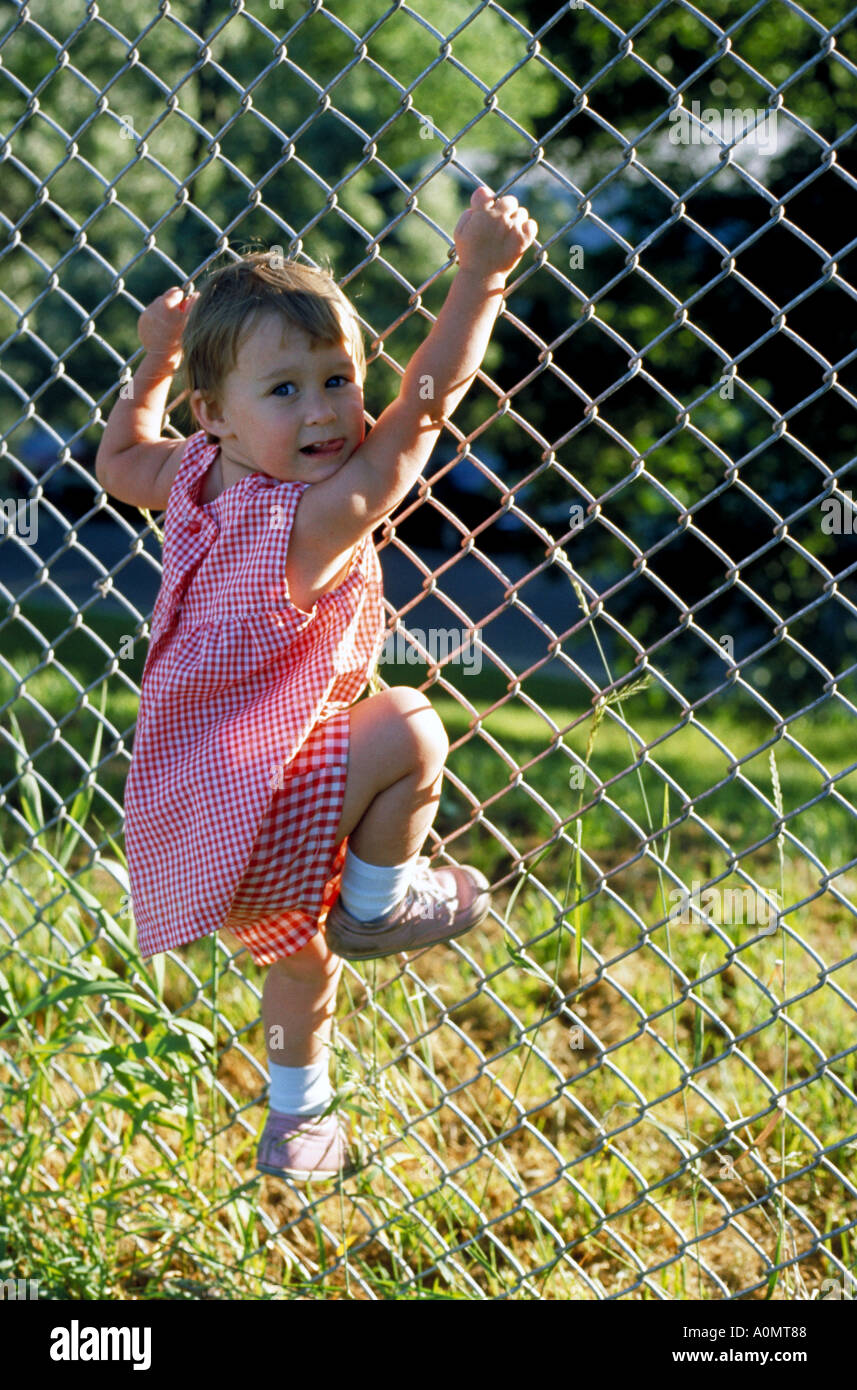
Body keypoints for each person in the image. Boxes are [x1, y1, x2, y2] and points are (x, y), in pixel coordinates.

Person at [95, 186, 538, 1180]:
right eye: (284, 390)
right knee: (413, 721)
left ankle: (298, 1123)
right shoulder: (319, 516)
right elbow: (426, 408)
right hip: (276, 795)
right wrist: (477, 275)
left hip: (197, 828)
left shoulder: (197, 477)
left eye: (337, 378)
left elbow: (118, 456)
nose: (325, 409)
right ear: (220, 416)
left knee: (301, 964)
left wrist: (155, 361)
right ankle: (379, 898)